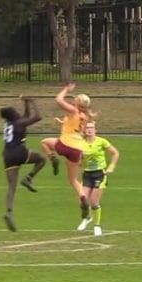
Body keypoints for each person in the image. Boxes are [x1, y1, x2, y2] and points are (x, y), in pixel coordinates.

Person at [40, 83, 97, 225]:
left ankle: (53, 158)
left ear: (78, 103)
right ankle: (83, 198)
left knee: (45, 143)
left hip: (64, 144)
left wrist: (65, 90)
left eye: (75, 98)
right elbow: (78, 130)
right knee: (73, 180)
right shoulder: (84, 116)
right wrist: (61, 123)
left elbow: (58, 100)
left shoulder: (73, 110)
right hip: (76, 149)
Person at [0, 97, 47, 232]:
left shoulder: (9, 124)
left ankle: (8, 211)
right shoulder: (18, 123)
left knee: (11, 187)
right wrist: (32, 102)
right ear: (13, 114)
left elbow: (25, 117)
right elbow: (38, 117)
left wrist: (25, 103)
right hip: (19, 152)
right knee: (41, 160)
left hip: (7, 156)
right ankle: (29, 178)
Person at [77, 121, 120, 236]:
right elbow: (79, 159)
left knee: (94, 202)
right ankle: (87, 218)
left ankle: (97, 225)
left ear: (95, 130)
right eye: (87, 128)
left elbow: (115, 153)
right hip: (87, 174)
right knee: (82, 200)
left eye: (92, 128)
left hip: (99, 174)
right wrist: (79, 162)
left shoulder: (101, 142)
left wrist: (111, 166)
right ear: (84, 130)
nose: (89, 130)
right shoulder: (81, 143)